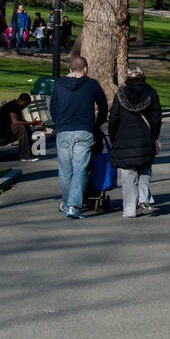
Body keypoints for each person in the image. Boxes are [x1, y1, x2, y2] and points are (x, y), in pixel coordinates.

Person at [51, 55, 109, 219]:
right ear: (85, 69)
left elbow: (53, 108)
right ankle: (74, 205)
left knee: (65, 170)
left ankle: (67, 200)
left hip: (64, 130)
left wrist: (59, 123)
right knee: (80, 168)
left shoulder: (59, 85)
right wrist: (97, 123)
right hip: (84, 130)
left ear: (70, 70)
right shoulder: (91, 84)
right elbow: (103, 106)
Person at [108, 66, 162, 218]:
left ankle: (129, 209)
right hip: (145, 138)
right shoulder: (151, 92)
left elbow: (113, 119)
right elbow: (157, 118)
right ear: (142, 78)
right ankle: (144, 198)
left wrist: (114, 138)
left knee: (128, 175)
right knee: (145, 170)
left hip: (124, 139)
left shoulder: (120, 94)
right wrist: (154, 136)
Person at [0, 92, 44, 160]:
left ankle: (29, 154)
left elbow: (20, 121)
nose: (26, 106)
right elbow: (15, 122)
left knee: (25, 127)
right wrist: (30, 122)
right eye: (26, 104)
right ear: (21, 101)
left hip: (6, 128)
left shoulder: (17, 106)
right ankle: (25, 156)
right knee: (21, 129)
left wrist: (32, 123)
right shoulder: (12, 106)